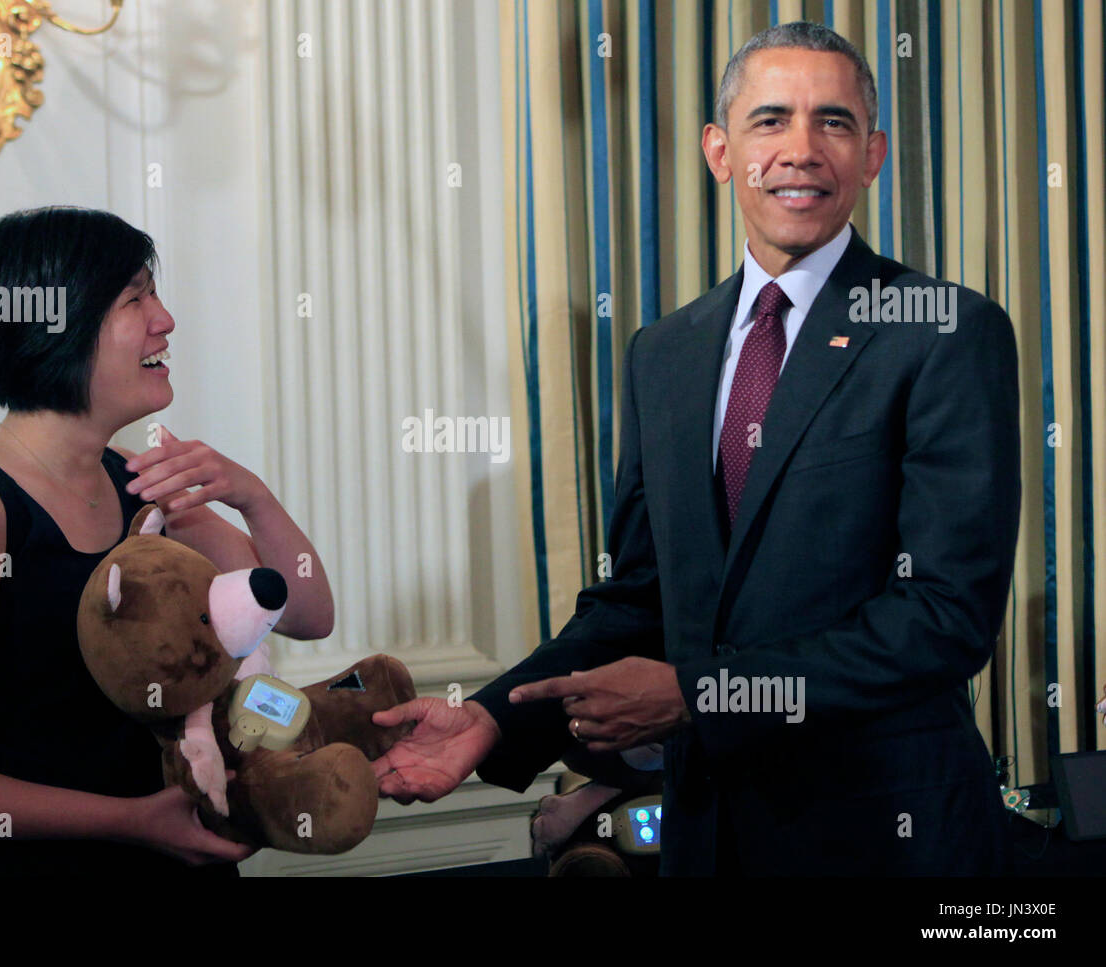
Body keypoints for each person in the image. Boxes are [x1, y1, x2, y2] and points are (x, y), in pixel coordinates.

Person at [372, 21, 1020, 875]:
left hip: (889, 837)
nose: (801, 149)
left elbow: (943, 617)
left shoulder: (944, 331)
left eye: (833, 122)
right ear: (719, 152)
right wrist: (495, 716)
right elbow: (637, 598)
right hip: (706, 837)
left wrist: (698, 695)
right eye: (770, 120)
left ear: (873, 156)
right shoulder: (663, 351)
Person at [0, 207, 334, 876]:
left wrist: (252, 495)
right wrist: (133, 823)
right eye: (135, 297)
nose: (165, 318)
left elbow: (307, 613)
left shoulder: (140, 477)